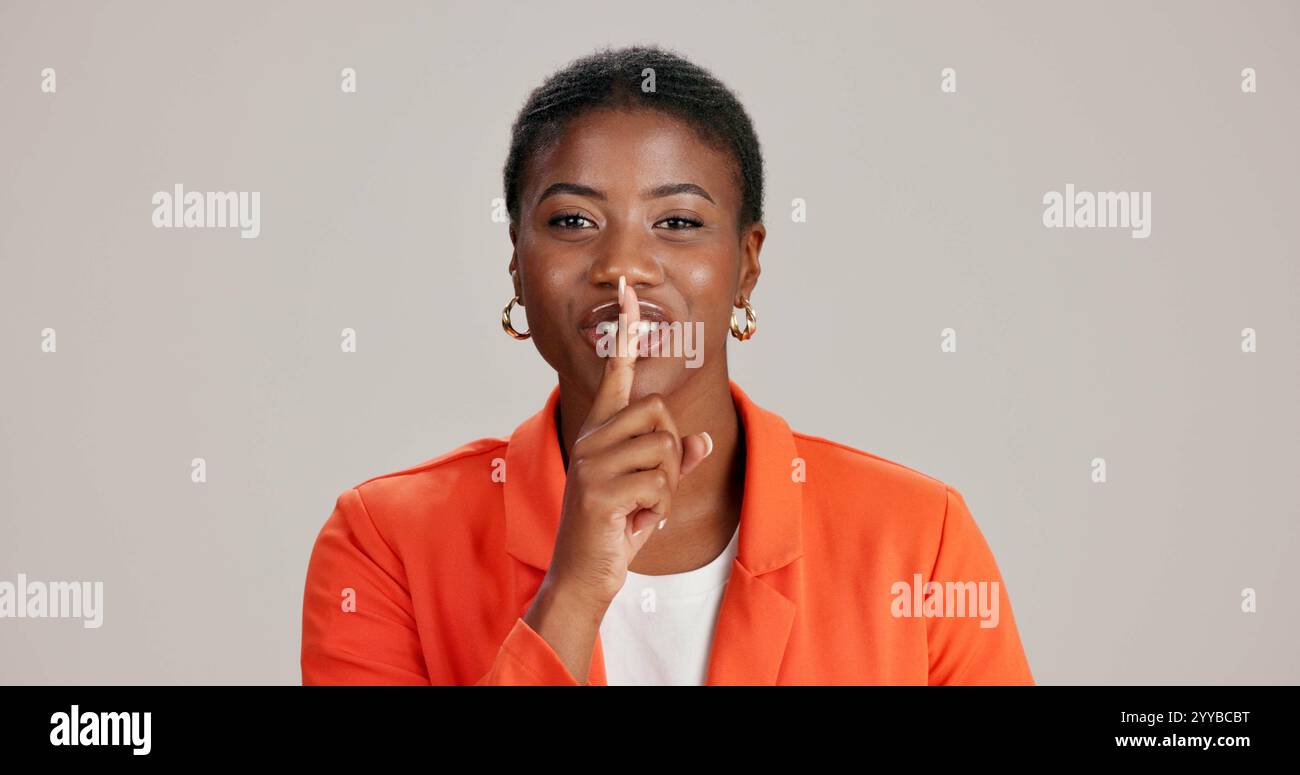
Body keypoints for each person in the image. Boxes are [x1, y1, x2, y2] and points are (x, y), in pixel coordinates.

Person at [300, 44, 1034, 685]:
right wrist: (576, 588)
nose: (624, 268)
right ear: (517, 266)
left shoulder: (919, 536)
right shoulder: (384, 542)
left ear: (746, 266)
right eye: (573, 222)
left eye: (678, 223)